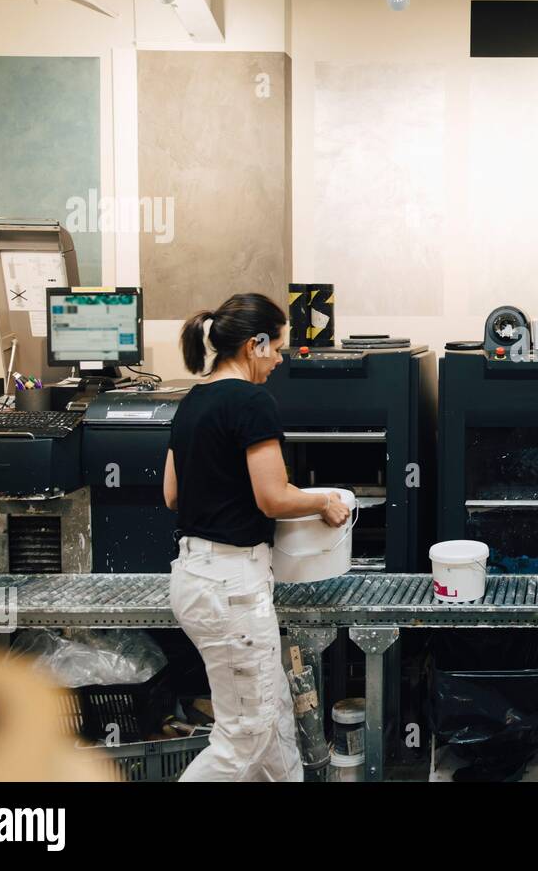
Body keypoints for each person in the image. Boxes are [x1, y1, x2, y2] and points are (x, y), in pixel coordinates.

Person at [163, 292, 349, 781]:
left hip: (194, 578)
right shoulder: (250, 400)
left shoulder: (192, 399)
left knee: (274, 725)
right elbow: (273, 497)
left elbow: (172, 495)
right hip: (230, 588)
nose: (280, 358)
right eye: (278, 346)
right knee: (244, 736)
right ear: (254, 345)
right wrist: (324, 501)